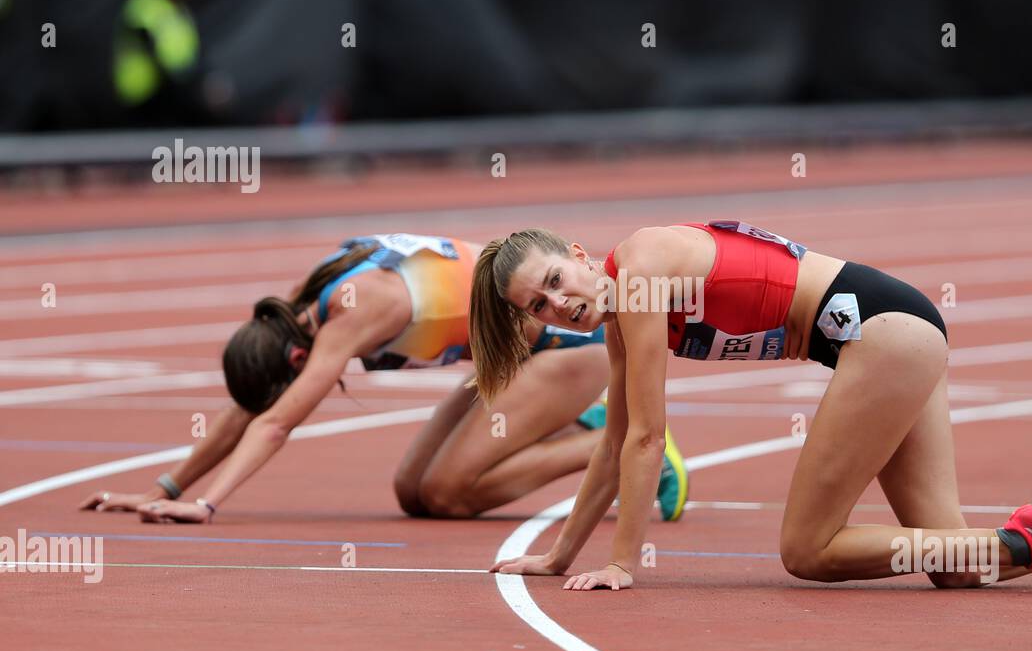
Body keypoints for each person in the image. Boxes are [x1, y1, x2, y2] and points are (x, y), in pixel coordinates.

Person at [472, 223, 1032, 593]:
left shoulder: (637, 270)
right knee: (954, 563)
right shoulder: (620, 316)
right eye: (539, 307)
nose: (559, 304)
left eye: (555, 279)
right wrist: (559, 558)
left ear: (575, 251)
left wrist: (623, 564)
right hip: (888, 335)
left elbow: (646, 441)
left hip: (883, 334)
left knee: (807, 550)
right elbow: (616, 442)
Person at [81, 233, 688, 523]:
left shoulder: (353, 310)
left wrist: (206, 503)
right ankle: (589, 425)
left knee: (449, 495)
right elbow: (252, 406)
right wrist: (165, 489)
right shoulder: (301, 307)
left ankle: (614, 445)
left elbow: (276, 421)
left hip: (566, 352)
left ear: (294, 362)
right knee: (413, 496)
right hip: (514, 361)